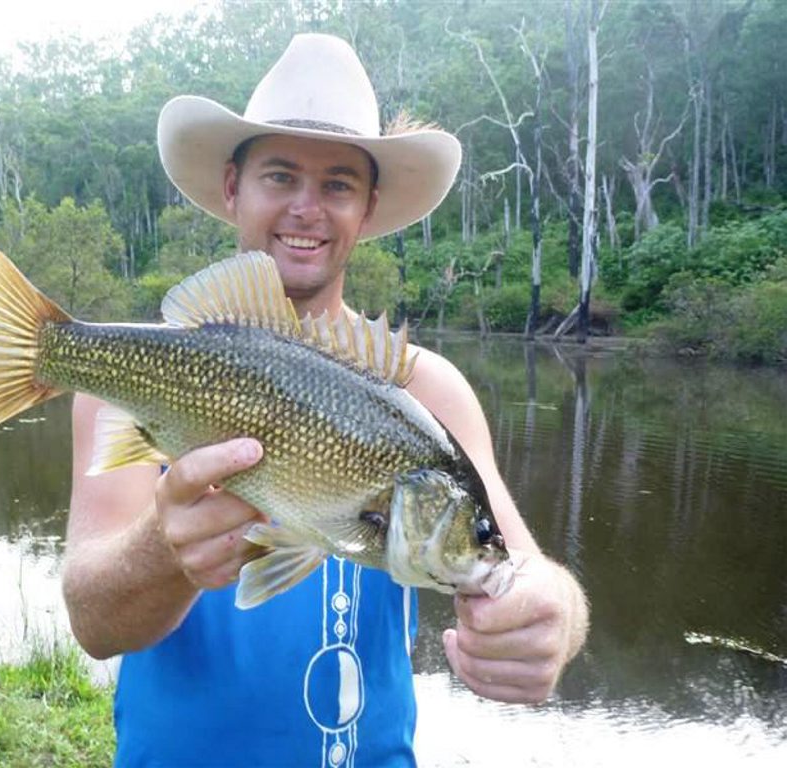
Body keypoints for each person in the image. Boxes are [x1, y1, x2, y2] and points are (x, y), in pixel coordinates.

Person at [62, 33, 589, 767]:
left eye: (337, 184)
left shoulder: (427, 390)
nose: (307, 208)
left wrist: (553, 617)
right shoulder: (135, 376)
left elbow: (520, 562)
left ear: (367, 208)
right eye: (280, 176)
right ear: (231, 188)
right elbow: (92, 622)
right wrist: (163, 548)